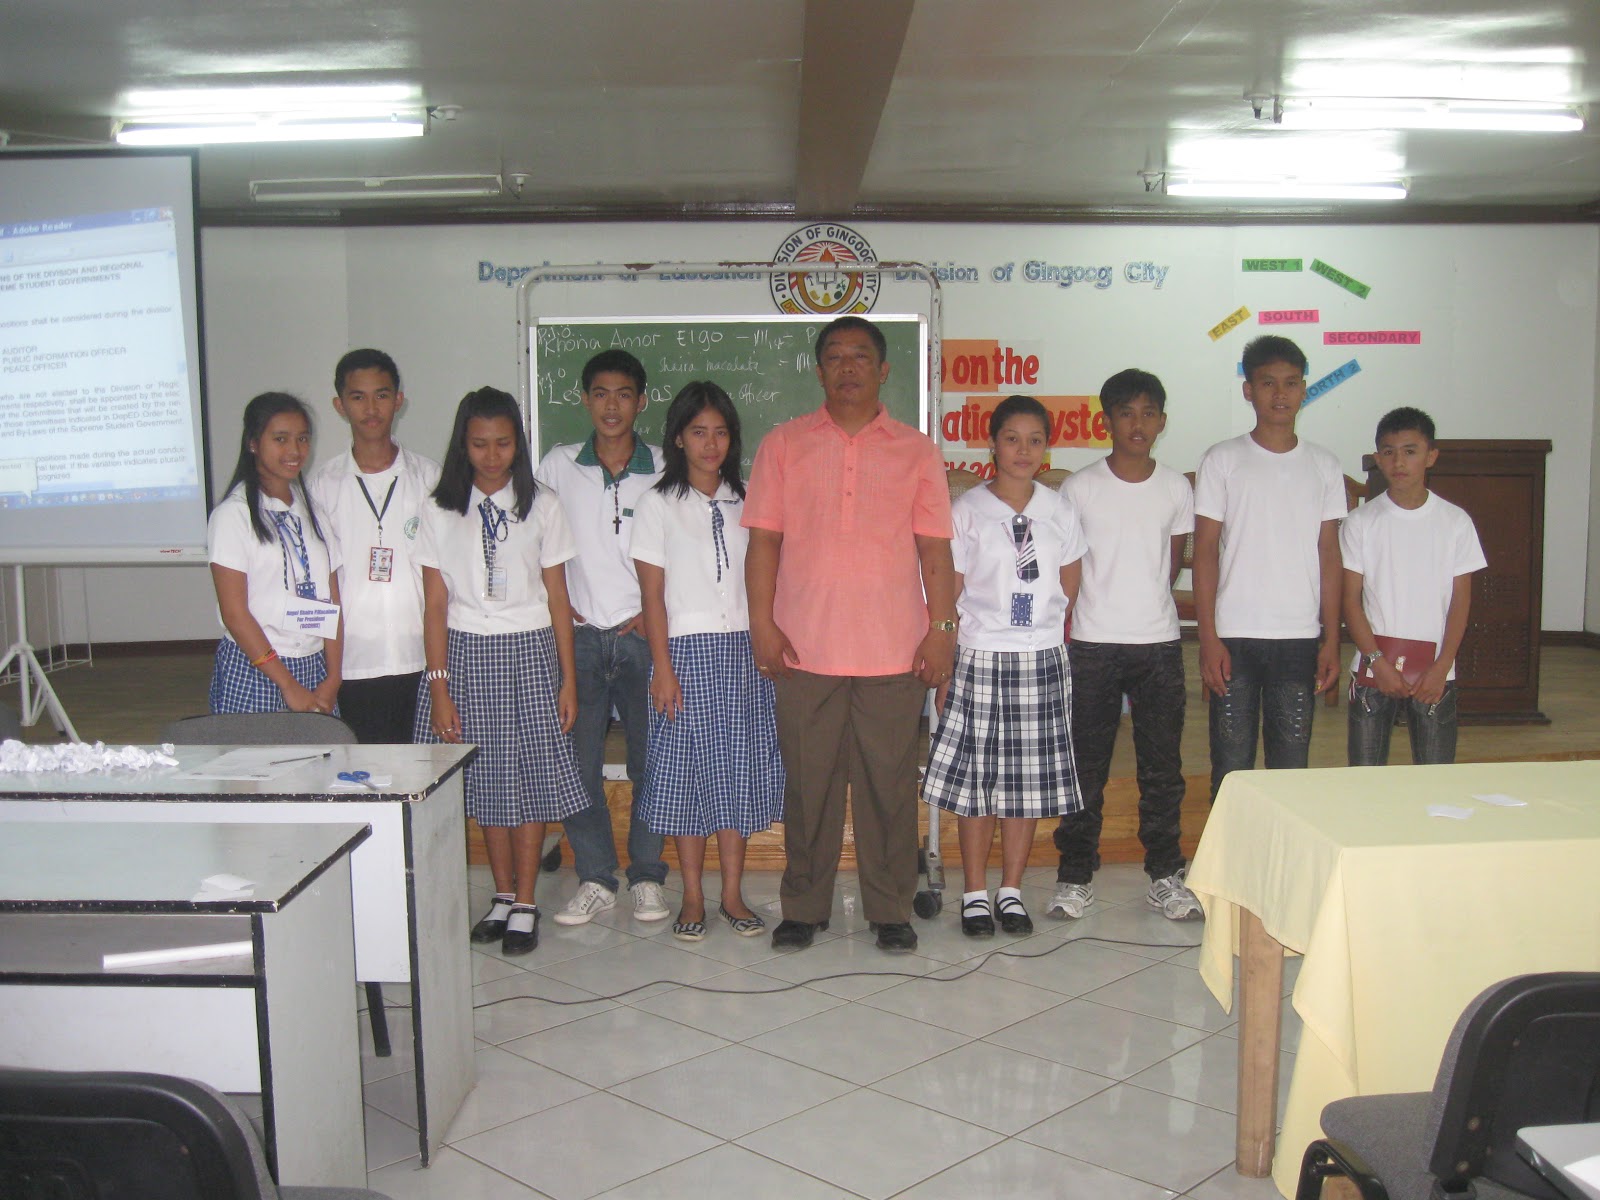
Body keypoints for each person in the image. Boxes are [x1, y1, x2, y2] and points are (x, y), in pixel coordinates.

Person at [744, 315, 956, 954]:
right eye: (834, 356)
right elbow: (763, 542)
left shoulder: (916, 451)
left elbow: (935, 550)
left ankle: (890, 909)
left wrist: (942, 629)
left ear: (883, 369)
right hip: (803, 648)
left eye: (860, 356)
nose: (847, 367)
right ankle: (803, 908)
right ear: (819, 370)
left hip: (894, 649)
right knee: (808, 787)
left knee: (888, 787)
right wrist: (761, 624)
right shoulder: (783, 445)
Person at [414, 387, 587, 955]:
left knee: (530, 780)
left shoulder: (543, 505)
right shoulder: (439, 508)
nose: (492, 456)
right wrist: (439, 687)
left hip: (530, 652)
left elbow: (558, 597)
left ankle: (528, 901)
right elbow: (434, 604)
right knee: (487, 780)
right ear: (462, 445)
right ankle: (502, 894)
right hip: (465, 653)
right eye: (480, 444)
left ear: (519, 444)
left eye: (504, 444)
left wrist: (568, 679)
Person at [924, 394, 1085, 938]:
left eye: (1035, 440)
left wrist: (1040, 635)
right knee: (977, 783)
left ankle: (1010, 890)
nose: (1023, 450)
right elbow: (951, 592)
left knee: (1026, 784)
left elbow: (1068, 585)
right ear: (992, 444)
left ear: (1047, 448)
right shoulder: (967, 511)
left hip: (1041, 659)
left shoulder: (1060, 511)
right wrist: (947, 664)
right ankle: (974, 892)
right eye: (1012, 439)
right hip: (979, 656)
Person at [631, 381, 783, 940]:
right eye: (698, 432)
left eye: (720, 433)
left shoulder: (751, 500)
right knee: (689, 780)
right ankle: (693, 895)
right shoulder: (656, 504)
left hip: (742, 653)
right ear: (678, 438)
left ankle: (733, 895)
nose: (710, 443)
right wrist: (663, 668)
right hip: (684, 654)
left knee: (736, 775)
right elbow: (652, 597)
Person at [1052, 369, 1200, 922]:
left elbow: (1172, 562)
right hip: (1092, 644)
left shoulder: (1176, 488)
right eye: (1126, 413)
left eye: (1148, 413)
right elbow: (1068, 564)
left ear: (1162, 422)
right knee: (1084, 765)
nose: (1138, 424)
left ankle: (1165, 874)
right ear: (1107, 421)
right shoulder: (1080, 487)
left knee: (1162, 767)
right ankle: (1074, 876)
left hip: (1158, 644)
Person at [536, 350, 671, 926]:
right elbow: (534, 537)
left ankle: (647, 877)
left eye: (623, 394)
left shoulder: (666, 465)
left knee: (652, 762)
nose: (611, 406)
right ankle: (595, 876)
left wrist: (654, 611)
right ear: (585, 400)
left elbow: (685, 543)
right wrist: (555, 605)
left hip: (643, 637)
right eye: (600, 393)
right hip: (581, 639)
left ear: (642, 402)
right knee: (577, 764)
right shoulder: (558, 465)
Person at [1194, 335, 1346, 800]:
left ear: (1304, 390)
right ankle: (1229, 847)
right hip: (1234, 635)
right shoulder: (1222, 459)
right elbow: (1205, 551)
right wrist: (1208, 638)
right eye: (1268, 383)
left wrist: (1331, 639)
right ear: (1248, 390)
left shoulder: (1324, 465)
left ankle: (1284, 847)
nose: (1280, 394)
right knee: (1231, 764)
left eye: (1291, 383)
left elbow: (1329, 554)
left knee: (1291, 766)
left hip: (1298, 636)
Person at [308, 349, 441, 743]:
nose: (371, 409)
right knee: (362, 769)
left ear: (399, 400)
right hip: (353, 661)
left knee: (423, 769)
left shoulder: (430, 478)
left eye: (381, 395)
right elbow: (320, 583)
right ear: (340, 405)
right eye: (358, 397)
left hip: (419, 655)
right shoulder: (321, 486)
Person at [1342, 407, 1485, 766]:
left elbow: (1461, 602)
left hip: (1436, 674)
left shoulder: (1455, 522)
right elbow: (1350, 601)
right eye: (1388, 452)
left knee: (1434, 778)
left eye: (1410, 451)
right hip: (1374, 669)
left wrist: (1442, 667)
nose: (1399, 462)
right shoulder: (1360, 522)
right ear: (1377, 458)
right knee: (1364, 778)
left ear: (1431, 456)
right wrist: (1377, 662)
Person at [207, 392, 342, 716]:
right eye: (280, 439)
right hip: (257, 668)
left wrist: (334, 676)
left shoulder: (313, 511)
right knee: (258, 751)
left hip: (314, 667)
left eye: (302, 439)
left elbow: (333, 599)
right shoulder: (233, 515)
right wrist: (287, 685)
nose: (294, 450)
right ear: (253, 443)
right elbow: (235, 614)